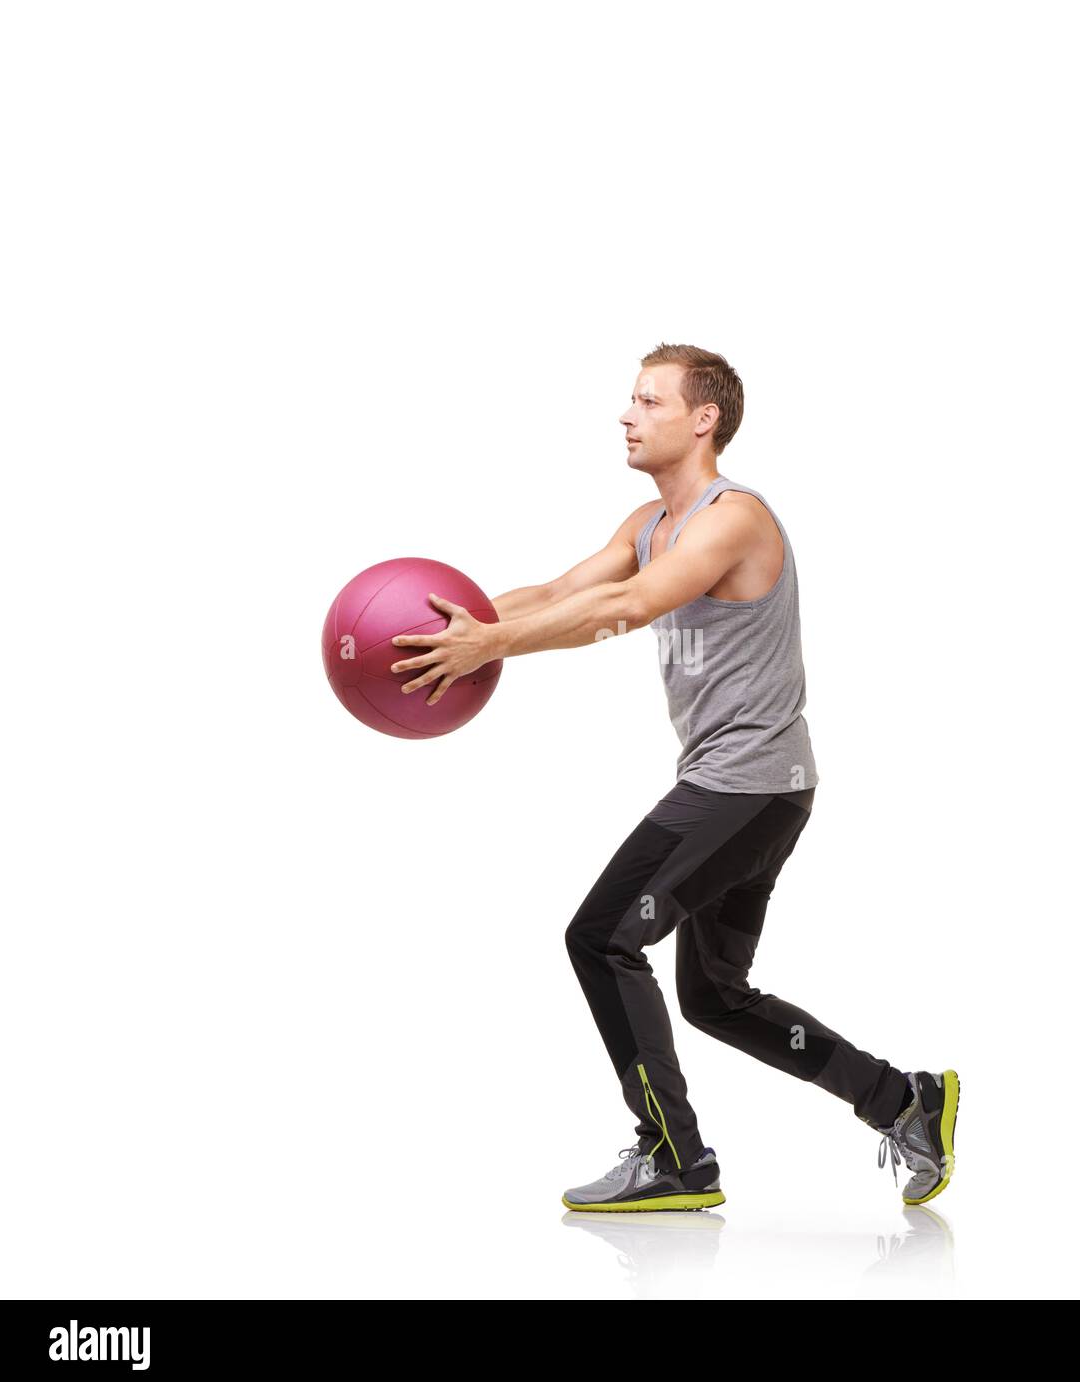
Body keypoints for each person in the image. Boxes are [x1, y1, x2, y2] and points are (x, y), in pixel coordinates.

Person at [390, 343, 959, 1211]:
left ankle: (675, 1159)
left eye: (649, 401)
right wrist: (457, 628)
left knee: (601, 936)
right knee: (715, 999)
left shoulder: (736, 518)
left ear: (705, 420)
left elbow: (628, 608)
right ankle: (905, 1101)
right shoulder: (646, 523)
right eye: (630, 399)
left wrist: (491, 648)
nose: (627, 414)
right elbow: (560, 590)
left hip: (747, 784)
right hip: (753, 786)